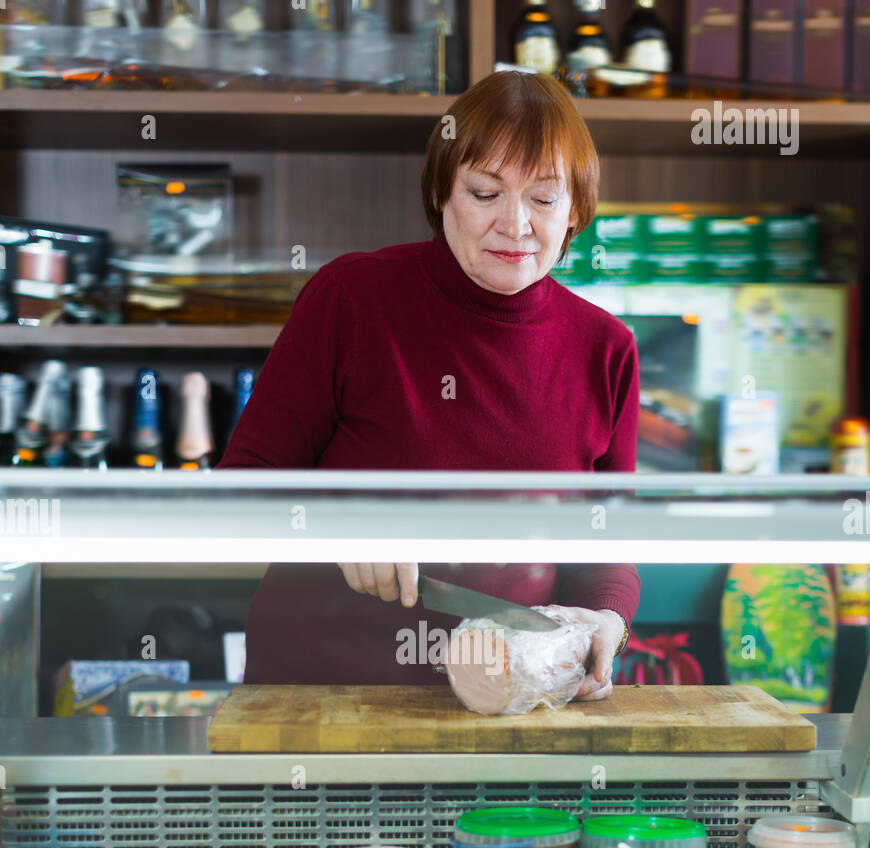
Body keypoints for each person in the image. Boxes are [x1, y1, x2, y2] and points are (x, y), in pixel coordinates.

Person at [218, 71, 640, 701]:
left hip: (503, 708)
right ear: (443, 190)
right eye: (485, 192)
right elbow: (242, 490)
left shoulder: (605, 348)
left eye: (544, 199)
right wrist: (340, 526)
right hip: (323, 700)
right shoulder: (351, 299)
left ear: (575, 208)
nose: (515, 224)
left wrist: (607, 619)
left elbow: (607, 543)